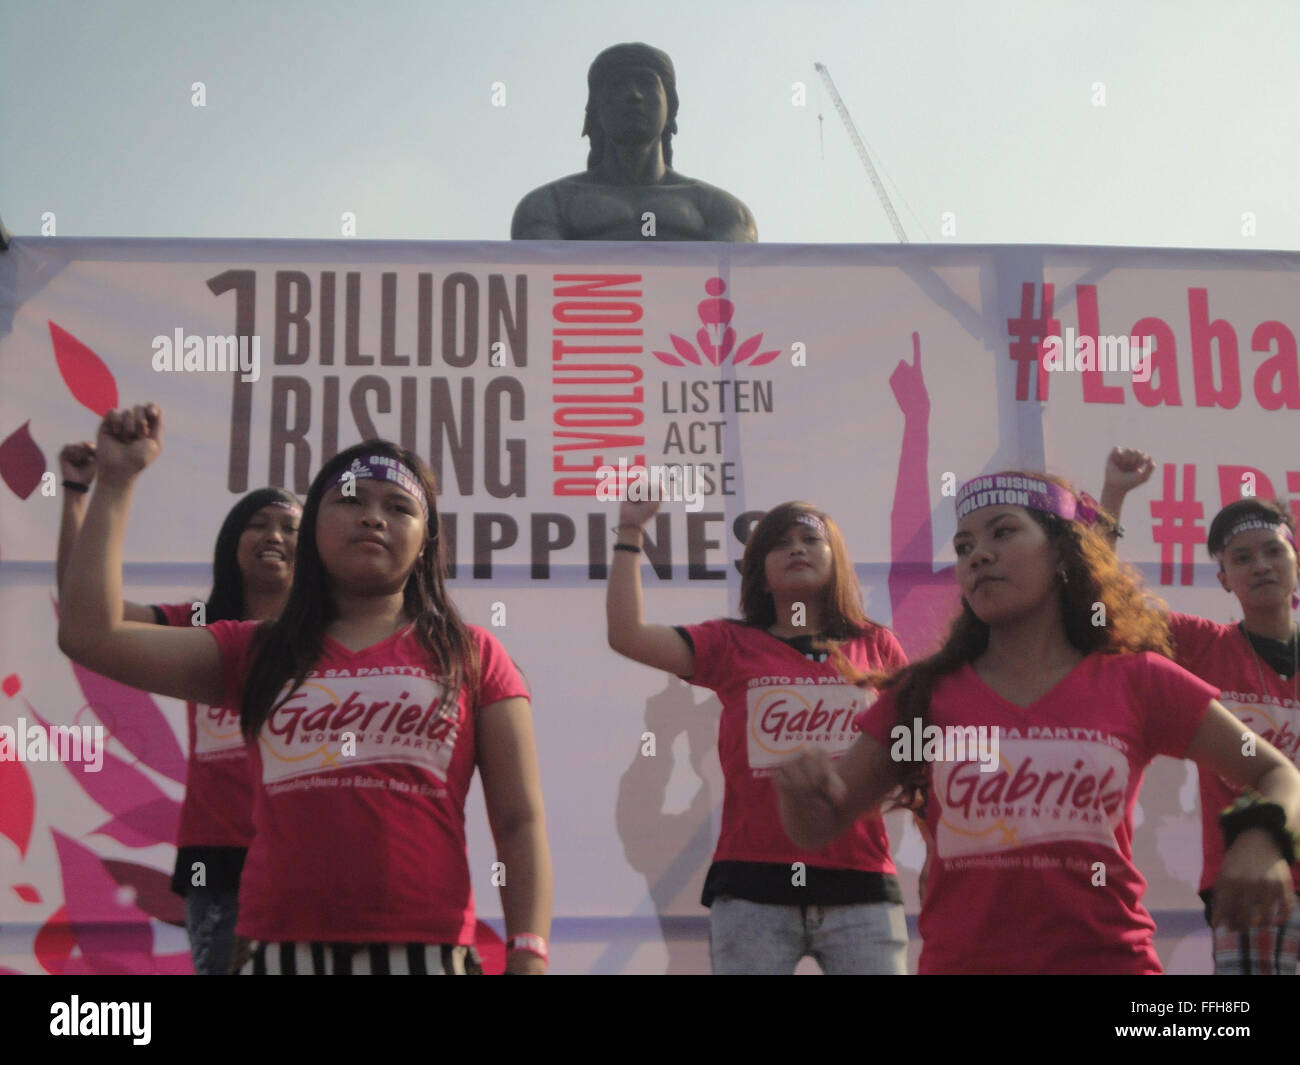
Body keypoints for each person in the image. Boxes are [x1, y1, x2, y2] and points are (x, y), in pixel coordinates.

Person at [58, 405, 552, 975]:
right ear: (314, 526)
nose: (373, 518)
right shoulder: (254, 649)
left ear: (427, 539)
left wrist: (528, 953)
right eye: (350, 500)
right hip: (274, 954)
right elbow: (89, 635)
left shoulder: (474, 654)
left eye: (398, 506)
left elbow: (519, 822)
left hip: (429, 952)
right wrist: (115, 483)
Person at [775, 471, 1300, 975]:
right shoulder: (923, 697)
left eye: (1003, 532)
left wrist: (1263, 837)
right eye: (963, 547)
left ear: (1063, 552)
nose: (978, 554)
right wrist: (802, 795)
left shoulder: (1139, 681)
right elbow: (819, 826)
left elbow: (1279, 774)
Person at [607, 494, 908, 974]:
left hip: (861, 886)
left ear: (837, 559)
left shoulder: (877, 645)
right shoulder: (729, 643)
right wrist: (629, 534)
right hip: (752, 890)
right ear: (759, 571)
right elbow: (626, 635)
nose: (797, 550)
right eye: (781, 544)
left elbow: (914, 750)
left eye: (811, 539)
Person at [57, 440, 301, 976]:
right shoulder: (198, 625)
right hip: (216, 865)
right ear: (232, 544)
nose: (275, 536)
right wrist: (77, 496)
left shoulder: (332, 639)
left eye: (291, 528)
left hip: (310, 856)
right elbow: (87, 616)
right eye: (258, 523)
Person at [1101, 446, 1300, 974]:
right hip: (1251, 889)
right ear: (1223, 580)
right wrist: (1114, 496)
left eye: (1273, 551)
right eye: (1241, 558)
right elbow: (1100, 608)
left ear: (1295, 560)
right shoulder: (1202, 645)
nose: (1260, 566)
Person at [511, 42, 757, 241]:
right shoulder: (548, 205)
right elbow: (541, 287)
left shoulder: (722, 211)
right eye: (616, 86)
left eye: (647, 84)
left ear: (670, 108)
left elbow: (735, 288)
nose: (634, 95)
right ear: (594, 110)